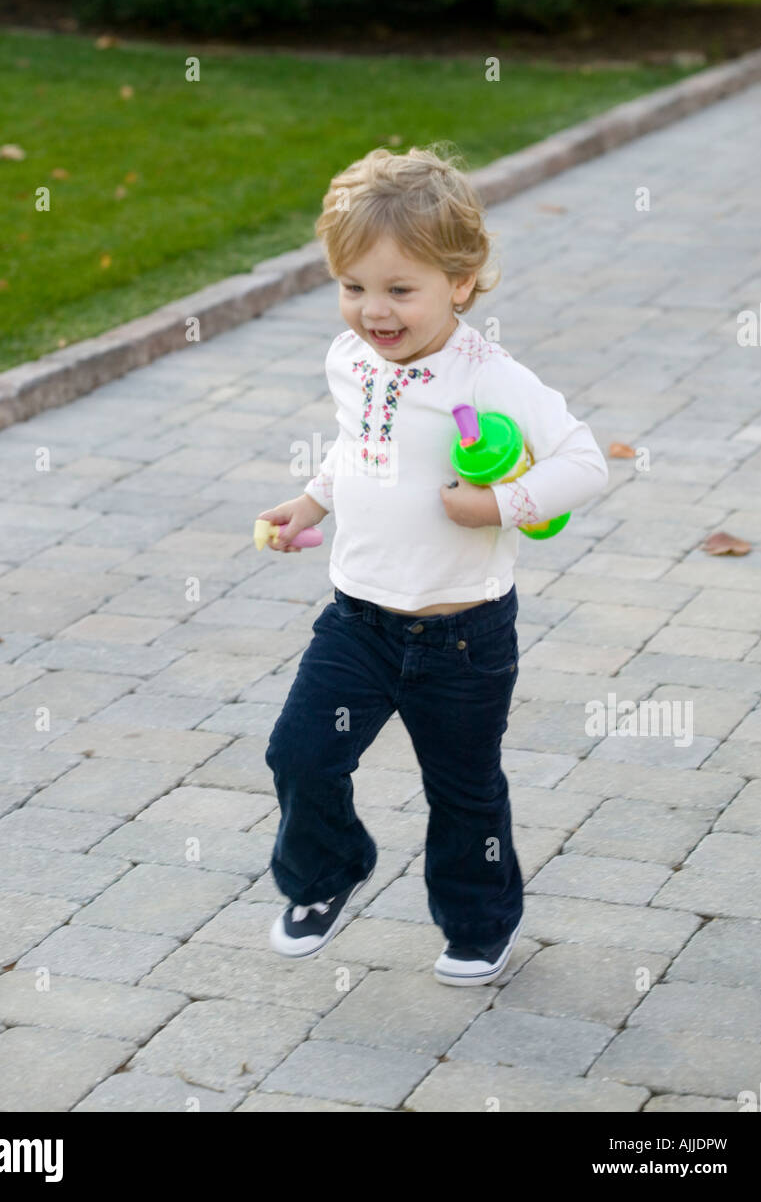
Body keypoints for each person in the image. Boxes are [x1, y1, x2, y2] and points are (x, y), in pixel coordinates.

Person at [258, 145, 609, 986]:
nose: (372, 312)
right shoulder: (351, 360)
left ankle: (479, 922)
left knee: (463, 790)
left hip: (461, 636)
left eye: (398, 290)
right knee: (299, 756)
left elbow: (584, 462)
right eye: (352, 287)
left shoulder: (490, 376)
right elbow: (356, 446)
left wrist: (495, 506)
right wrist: (310, 502)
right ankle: (326, 871)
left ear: (460, 281)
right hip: (358, 619)